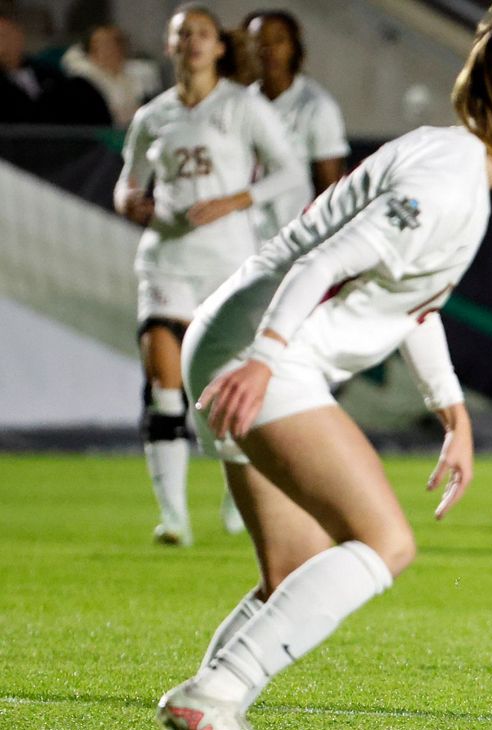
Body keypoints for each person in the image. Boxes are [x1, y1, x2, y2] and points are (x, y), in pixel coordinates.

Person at [130, 8, 492, 730]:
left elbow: (409, 304)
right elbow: (325, 263)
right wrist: (265, 359)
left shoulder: (447, 159)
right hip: (265, 346)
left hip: (243, 336)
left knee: (295, 571)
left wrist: (452, 411)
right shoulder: (448, 180)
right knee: (385, 540)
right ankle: (214, 697)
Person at [113, 4, 306, 547]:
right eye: (183, 35)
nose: (192, 42)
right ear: (170, 46)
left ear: (219, 47)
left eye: (202, 34)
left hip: (228, 264)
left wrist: (234, 201)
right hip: (166, 261)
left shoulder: (242, 106)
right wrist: (130, 202)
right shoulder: (153, 116)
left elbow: (290, 170)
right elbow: (129, 182)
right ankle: (173, 518)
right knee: (164, 390)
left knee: (228, 392)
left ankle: (237, 496)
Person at [242, 9, 350, 241]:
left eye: (278, 40)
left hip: (292, 241)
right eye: (258, 41)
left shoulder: (316, 106)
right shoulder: (239, 103)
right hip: (241, 240)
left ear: (293, 46)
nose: (268, 49)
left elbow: (330, 188)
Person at [60, 24, 145, 127]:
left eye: (115, 44)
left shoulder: (133, 75)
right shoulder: (84, 79)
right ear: (91, 51)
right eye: (102, 45)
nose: (110, 50)